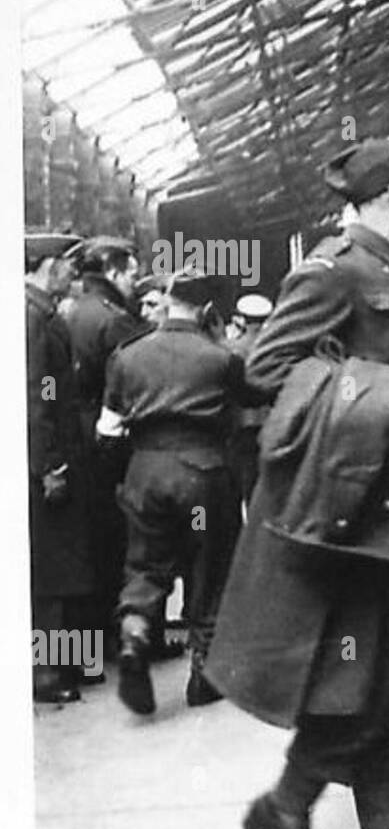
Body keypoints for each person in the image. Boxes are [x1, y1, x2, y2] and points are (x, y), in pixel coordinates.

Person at [207, 134, 389, 829]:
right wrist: (375, 391)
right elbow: (264, 369)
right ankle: (284, 810)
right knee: (352, 677)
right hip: (349, 515)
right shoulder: (335, 272)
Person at [99, 269, 247, 714]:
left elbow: (107, 429)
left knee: (145, 563)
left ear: (167, 301)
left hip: (146, 471)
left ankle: (135, 634)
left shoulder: (127, 356)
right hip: (203, 474)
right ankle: (204, 673)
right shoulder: (220, 359)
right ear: (206, 310)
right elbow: (243, 406)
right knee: (209, 565)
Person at [64, 236, 145, 660]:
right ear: (112, 271)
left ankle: (86, 647)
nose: (135, 280)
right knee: (120, 538)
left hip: (77, 439)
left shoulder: (72, 309)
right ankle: (121, 639)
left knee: (87, 541)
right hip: (111, 442)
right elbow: (134, 383)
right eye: (131, 271)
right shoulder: (114, 320)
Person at [26, 233, 97, 704]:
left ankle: (68, 663)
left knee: (64, 567)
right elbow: (37, 395)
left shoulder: (43, 316)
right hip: (47, 465)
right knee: (50, 574)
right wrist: (49, 465)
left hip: (58, 456)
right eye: (68, 265)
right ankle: (45, 673)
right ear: (48, 265)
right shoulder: (31, 320)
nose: (74, 274)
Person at [225, 293, 275, 508]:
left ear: (241, 320)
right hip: (271, 424)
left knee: (239, 486)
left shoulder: (230, 348)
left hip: (240, 425)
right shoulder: (275, 348)